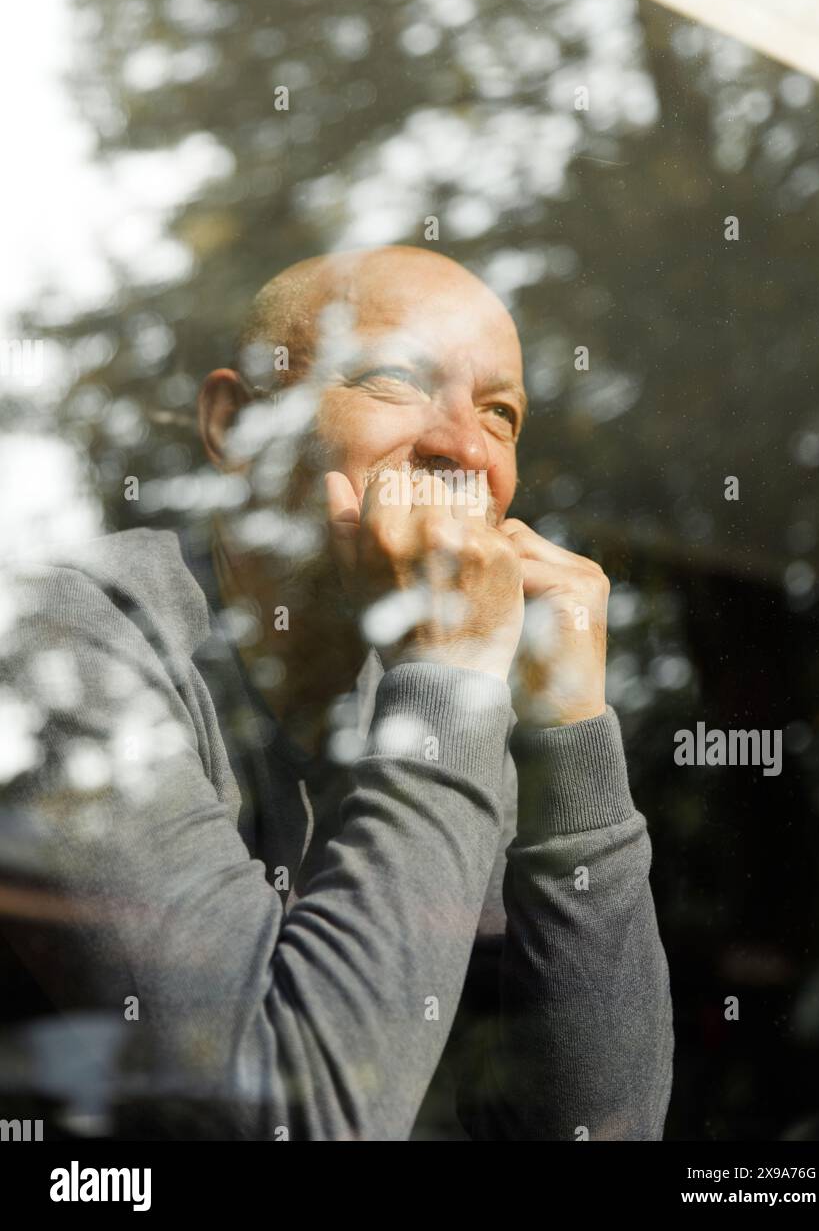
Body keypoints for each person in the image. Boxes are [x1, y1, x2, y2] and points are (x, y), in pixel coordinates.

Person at [0, 245, 673, 1140]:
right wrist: (449, 684)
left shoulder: (444, 696)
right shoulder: (67, 634)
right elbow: (294, 1117)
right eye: (397, 378)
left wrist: (571, 734)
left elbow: (591, 1130)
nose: (467, 448)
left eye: (500, 413)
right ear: (235, 424)